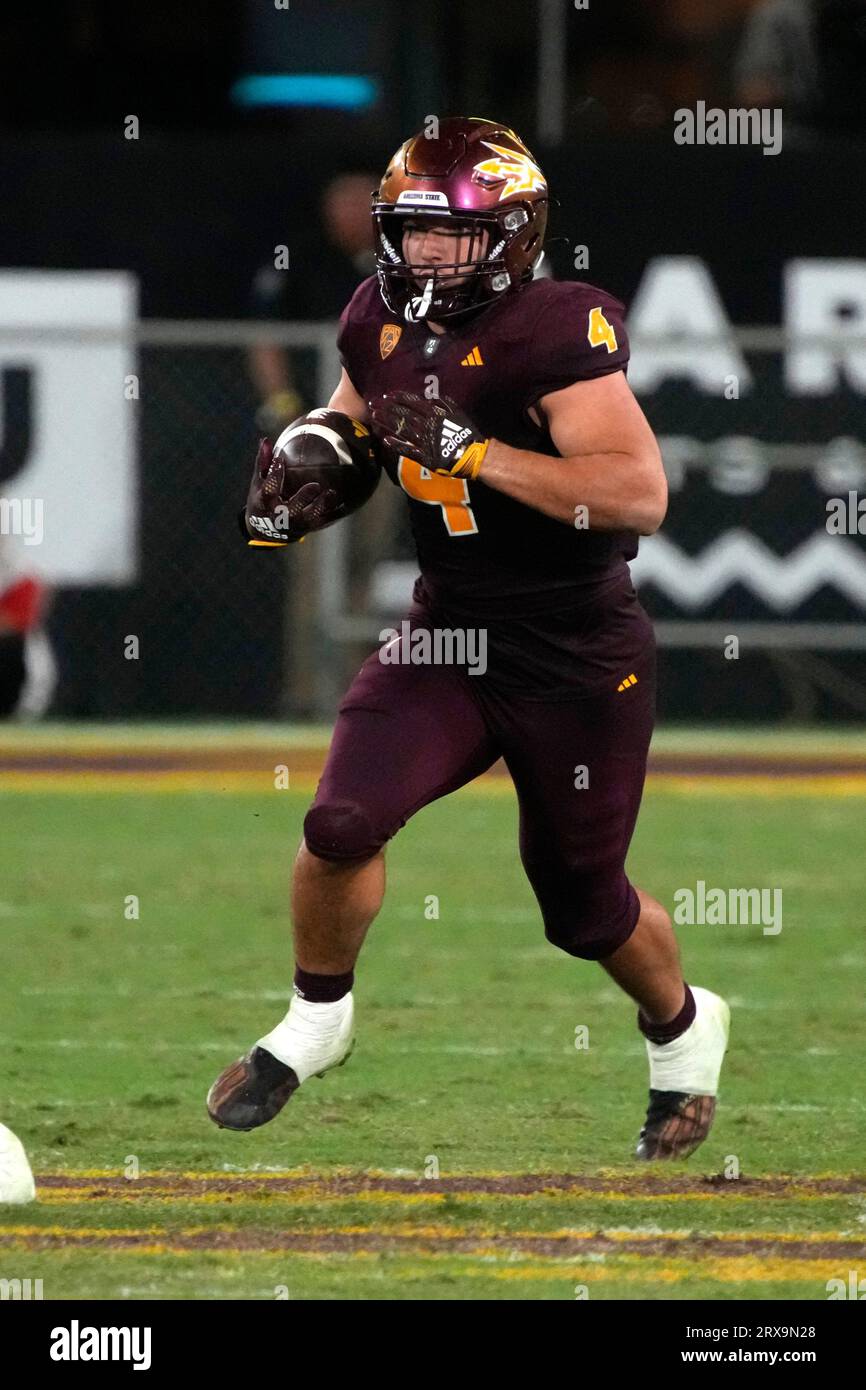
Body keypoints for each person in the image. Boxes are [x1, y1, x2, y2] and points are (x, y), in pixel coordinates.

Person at [209, 117, 730, 1161]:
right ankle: (318, 1017)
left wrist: (473, 450)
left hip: (578, 654)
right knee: (342, 819)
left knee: (582, 908)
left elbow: (635, 496)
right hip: (447, 633)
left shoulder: (556, 329)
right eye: (412, 232)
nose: (428, 256)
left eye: (456, 236)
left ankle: (681, 1032)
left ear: (516, 234)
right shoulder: (376, 314)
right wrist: (304, 479)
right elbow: (358, 422)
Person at [248, 171, 378, 437]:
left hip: (386, 415)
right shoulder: (300, 258)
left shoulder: (408, 260)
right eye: (345, 201)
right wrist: (284, 404)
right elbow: (265, 335)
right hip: (311, 406)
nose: (354, 211)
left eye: (363, 201)